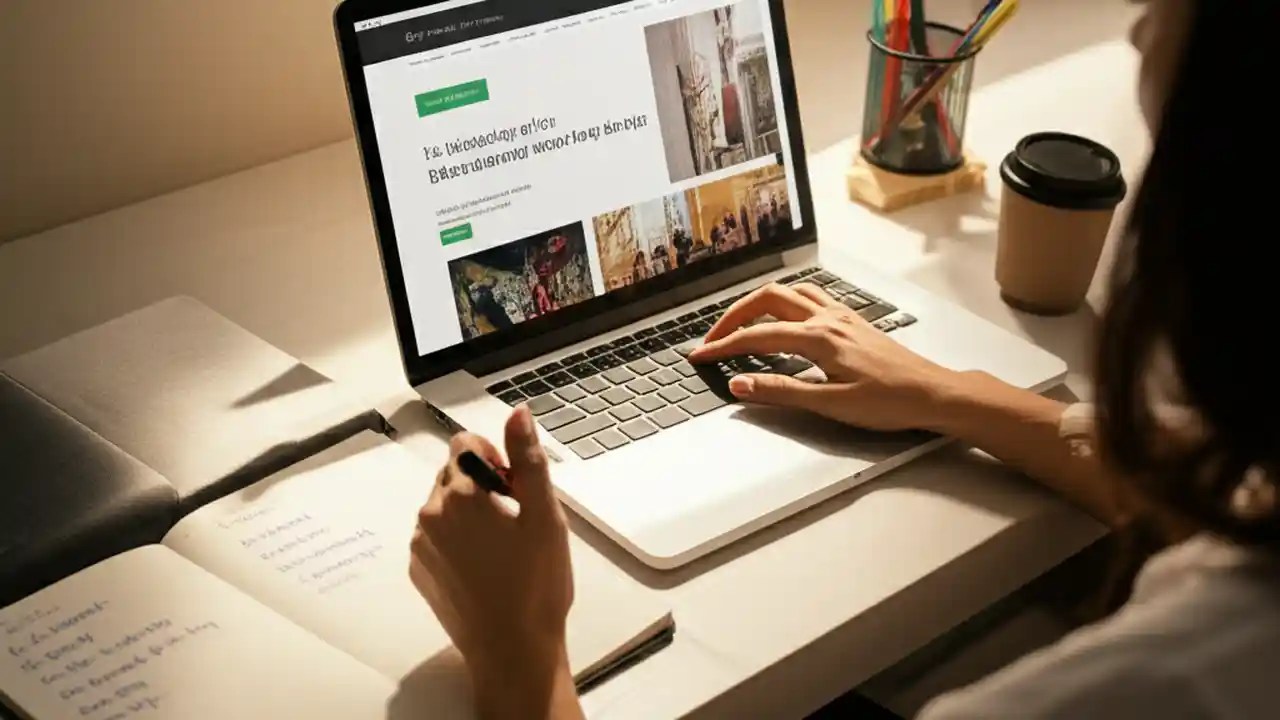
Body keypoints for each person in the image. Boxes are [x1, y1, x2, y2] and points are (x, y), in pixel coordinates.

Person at [410, 2, 1278, 717]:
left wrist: (519, 657)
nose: (1135, 25)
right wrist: (947, 394)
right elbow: (1225, 494)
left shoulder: (1164, 683)